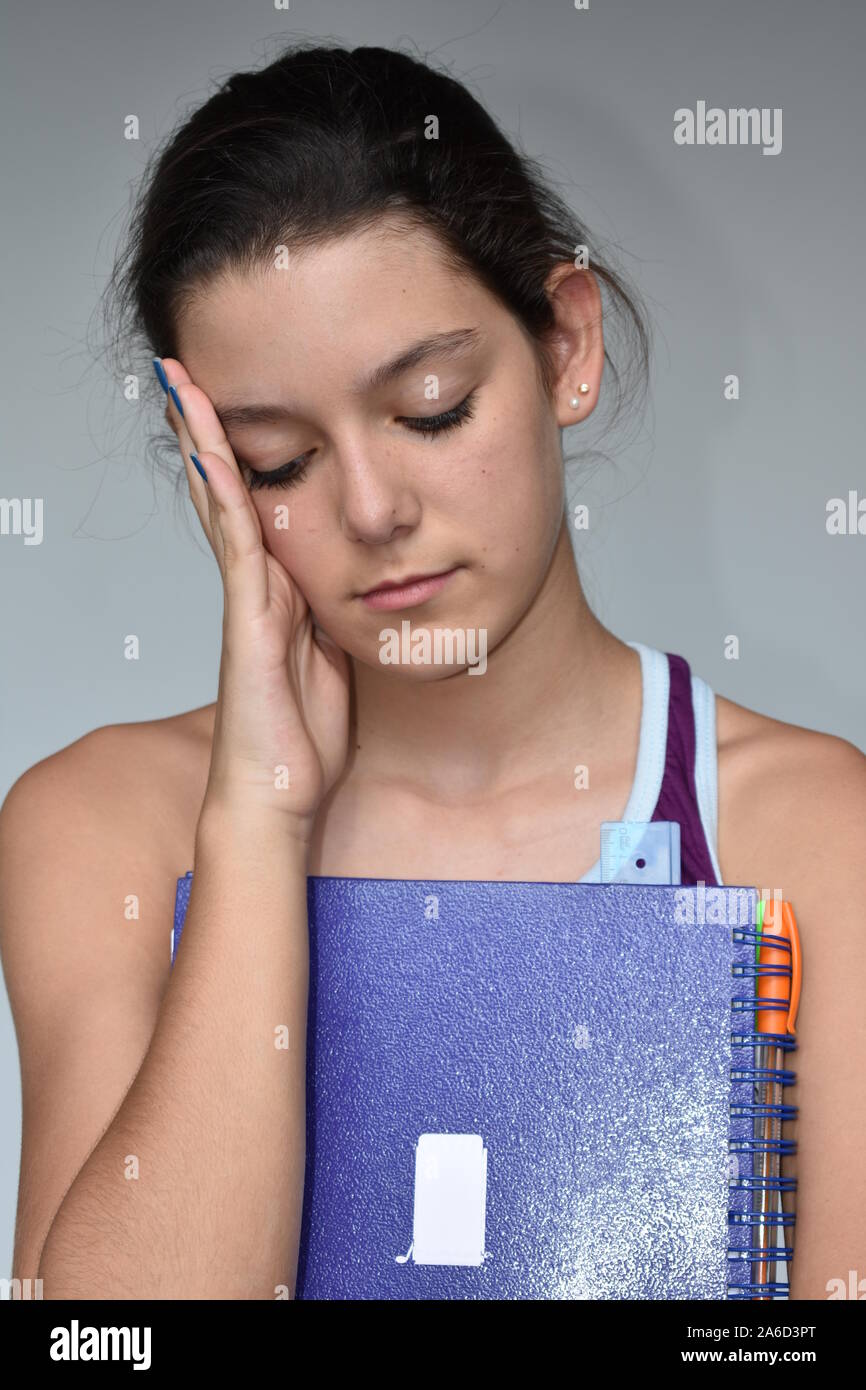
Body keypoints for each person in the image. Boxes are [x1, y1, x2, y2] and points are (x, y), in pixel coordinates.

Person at [1, 41, 863, 1302]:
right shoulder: (100, 828)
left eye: (430, 407)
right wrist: (254, 826)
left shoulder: (814, 830)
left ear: (567, 344)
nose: (371, 508)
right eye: (277, 460)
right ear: (209, 476)